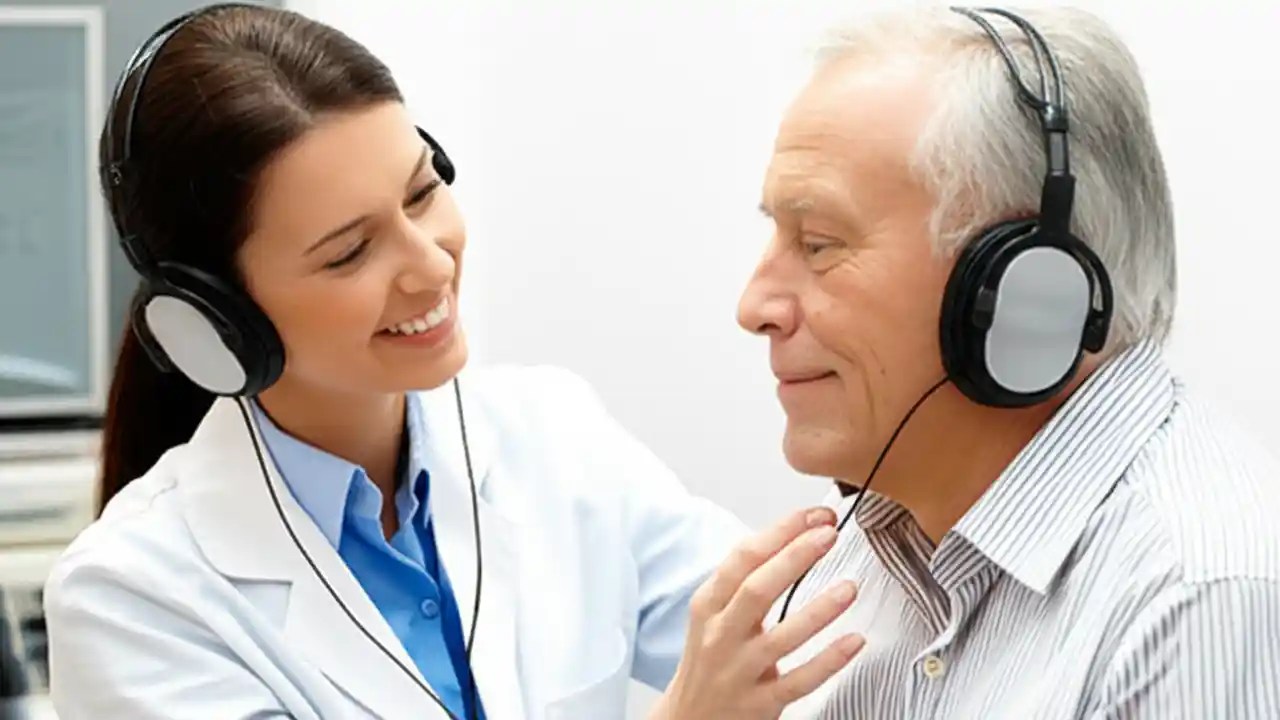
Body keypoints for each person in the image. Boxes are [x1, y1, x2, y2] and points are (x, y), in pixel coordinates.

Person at [40, 5, 863, 719]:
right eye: (351, 251)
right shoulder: (134, 600)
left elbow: (798, 637)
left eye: (422, 190)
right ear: (214, 324)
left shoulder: (552, 435)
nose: (432, 265)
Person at [732, 5, 1280, 719]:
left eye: (819, 244)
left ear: (1024, 290)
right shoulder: (868, 556)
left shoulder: (1197, 597)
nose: (754, 306)